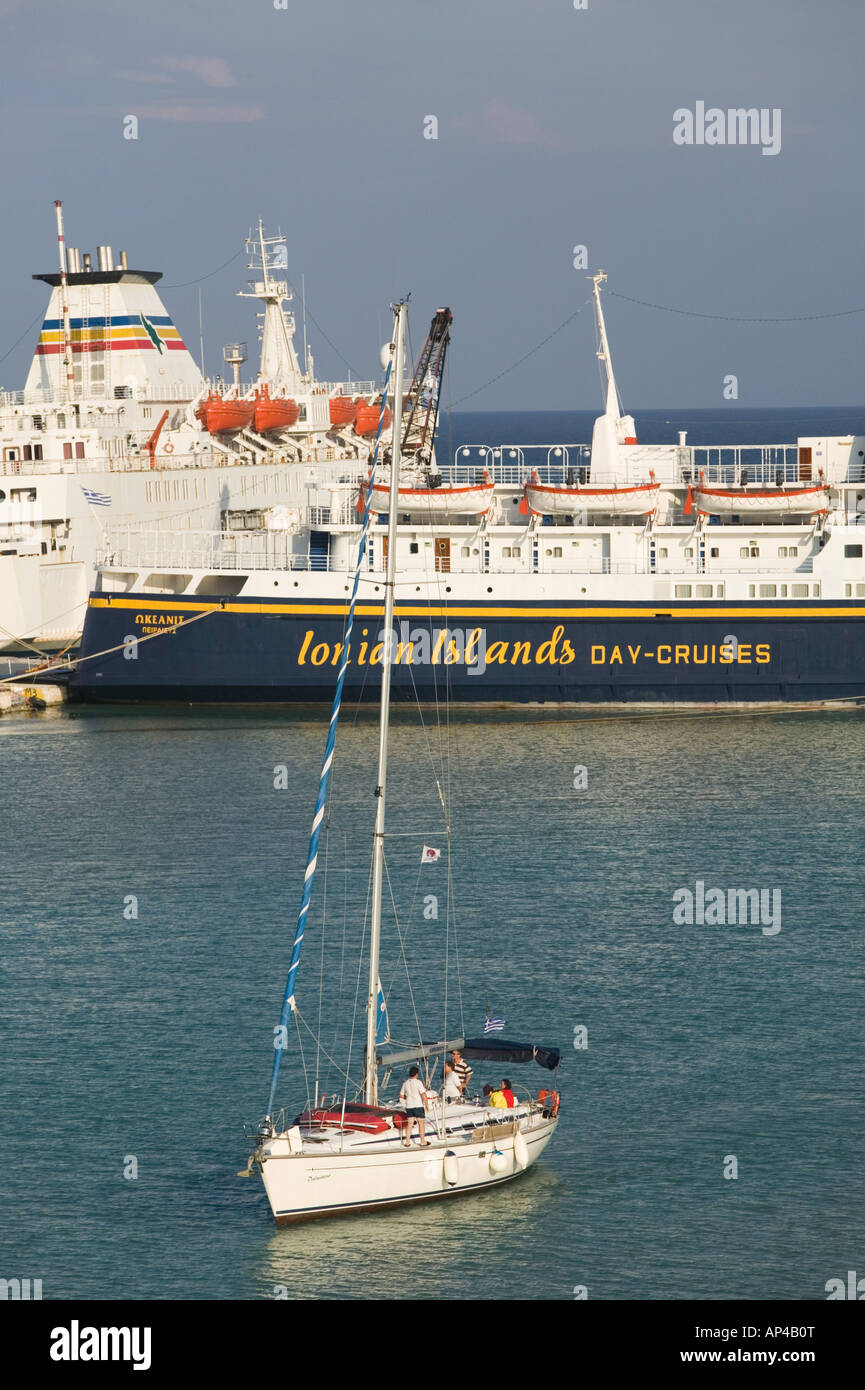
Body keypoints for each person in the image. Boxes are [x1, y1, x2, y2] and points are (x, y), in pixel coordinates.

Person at [399, 1065, 430, 1147]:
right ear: (416, 1074)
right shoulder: (418, 1082)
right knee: (421, 1123)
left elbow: (401, 1095)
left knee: (409, 1125)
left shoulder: (405, 1083)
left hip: (409, 1106)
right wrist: (426, 1105)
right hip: (418, 1106)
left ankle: (407, 1142)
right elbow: (423, 1094)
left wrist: (404, 1103)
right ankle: (422, 1141)